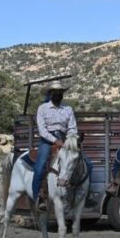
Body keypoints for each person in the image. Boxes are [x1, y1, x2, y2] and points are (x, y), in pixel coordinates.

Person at [33, 81, 91, 211]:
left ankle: (84, 195)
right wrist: (55, 140)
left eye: (60, 92)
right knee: (41, 164)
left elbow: (72, 128)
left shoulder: (68, 109)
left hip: (66, 139)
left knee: (87, 163)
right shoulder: (42, 108)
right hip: (47, 140)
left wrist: (71, 140)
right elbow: (42, 130)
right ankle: (40, 196)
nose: (57, 94)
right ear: (50, 94)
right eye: (55, 92)